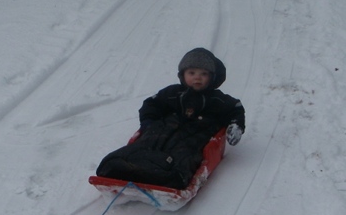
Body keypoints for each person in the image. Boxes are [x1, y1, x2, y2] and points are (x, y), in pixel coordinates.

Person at [95, 48, 245, 189]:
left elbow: (236, 109)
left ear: (212, 76)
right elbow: (152, 104)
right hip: (164, 128)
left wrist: (235, 126)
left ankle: (169, 174)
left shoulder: (217, 100)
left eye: (204, 74)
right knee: (147, 142)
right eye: (192, 72)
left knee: (183, 151)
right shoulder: (173, 92)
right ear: (183, 74)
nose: (197, 77)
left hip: (197, 132)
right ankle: (125, 164)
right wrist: (148, 124)